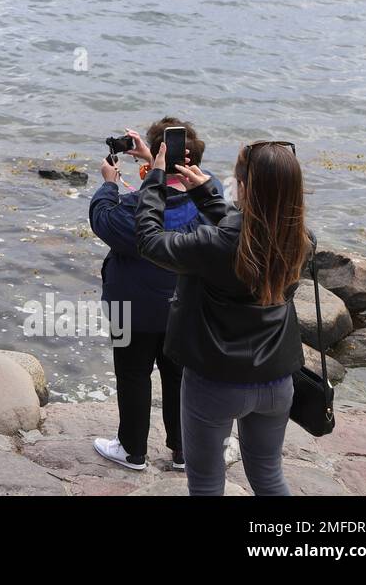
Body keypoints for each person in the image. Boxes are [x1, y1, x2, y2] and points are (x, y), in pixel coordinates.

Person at [135, 140, 311, 497]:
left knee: (206, 484)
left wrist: (154, 177)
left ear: (244, 188)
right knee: (268, 476)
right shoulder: (301, 242)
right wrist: (206, 196)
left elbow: (149, 240)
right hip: (276, 382)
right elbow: (249, 237)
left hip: (215, 384)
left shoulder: (213, 246)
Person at [88, 118, 221, 472]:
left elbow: (101, 218)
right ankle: (182, 451)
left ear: (161, 153)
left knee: (132, 375)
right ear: (192, 158)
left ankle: (132, 450)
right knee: (179, 377)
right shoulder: (211, 199)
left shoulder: (133, 208)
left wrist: (109, 184)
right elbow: (185, 185)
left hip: (129, 307)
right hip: (184, 306)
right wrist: (151, 161)